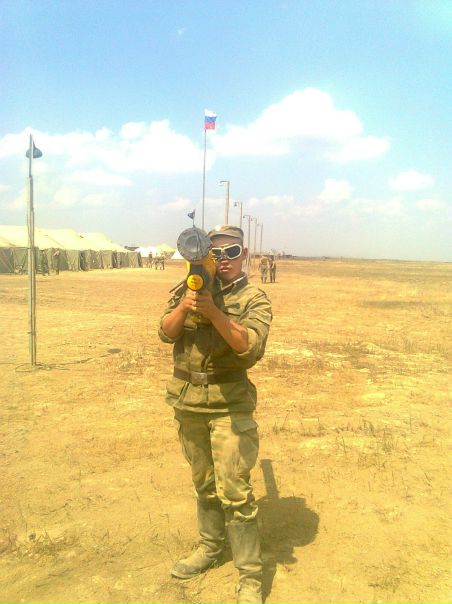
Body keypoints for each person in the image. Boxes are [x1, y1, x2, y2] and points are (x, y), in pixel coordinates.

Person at [158, 225, 272, 604]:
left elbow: (248, 348)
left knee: (235, 490)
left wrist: (214, 312)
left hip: (229, 404)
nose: (223, 260)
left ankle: (250, 575)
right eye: (216, 253)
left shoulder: (254, 298)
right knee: (203, 483)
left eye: (232, 252)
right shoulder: (188, 289)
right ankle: (210, 547)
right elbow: (165, 332)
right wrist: (186, 305)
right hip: (188, 402)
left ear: (244, 254)